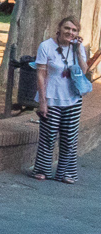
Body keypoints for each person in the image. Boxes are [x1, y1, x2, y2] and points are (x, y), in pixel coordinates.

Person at [32, 15, 95, 183]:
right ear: (59, 29)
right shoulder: (46, 46)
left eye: (74, 30)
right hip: (51, 98)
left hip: (73, 99)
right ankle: (42, 170)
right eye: (67, 28)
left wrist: (78, 51)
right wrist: (42, 101)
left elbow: (84, 69)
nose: (70, 32)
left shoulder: (77, 47)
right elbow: (40, 74)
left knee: (69, 137)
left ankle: (66, 173)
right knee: (48, 136)